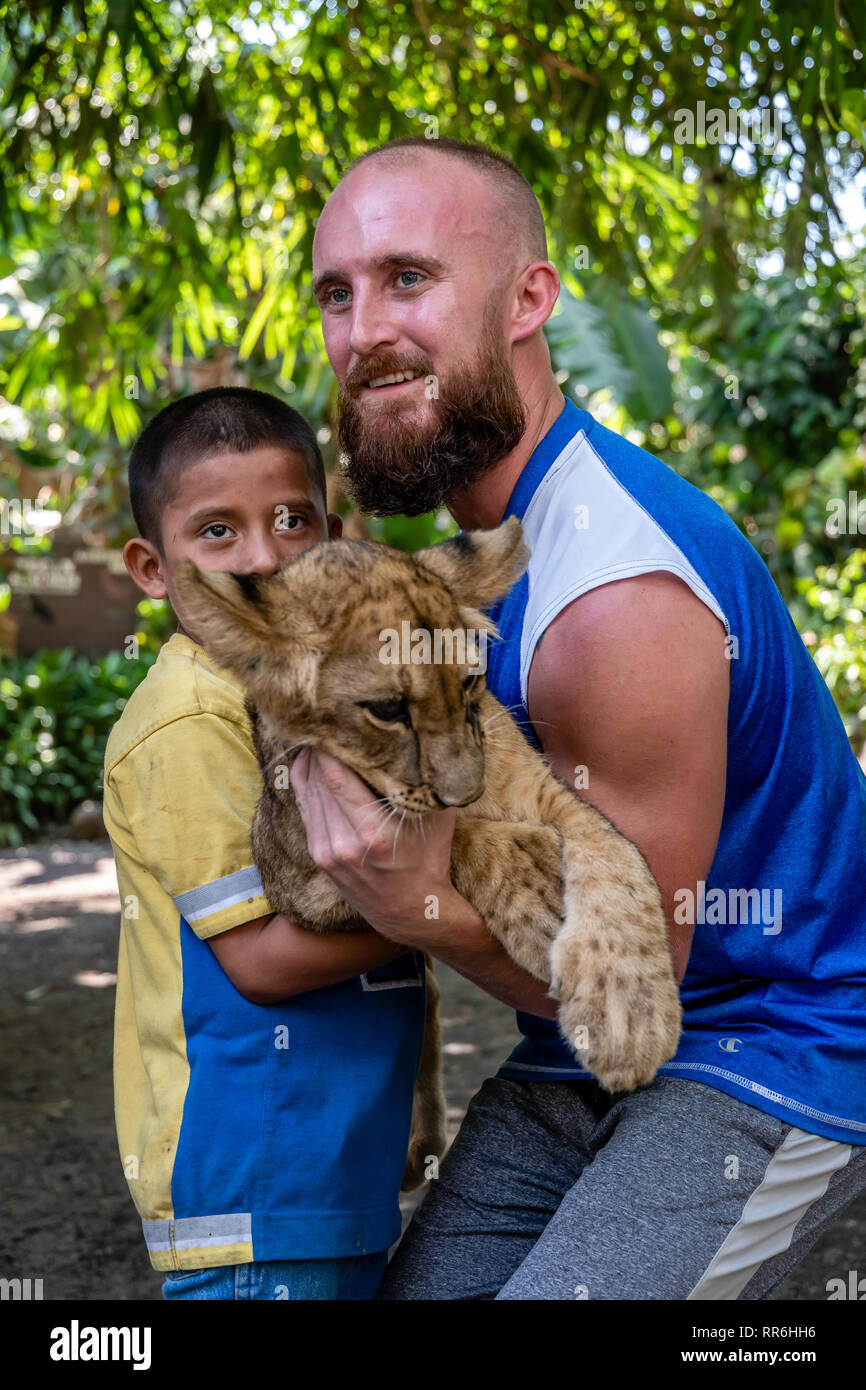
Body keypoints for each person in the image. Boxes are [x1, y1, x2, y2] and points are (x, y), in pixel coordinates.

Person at [282, 136, 866, 1300]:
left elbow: (634, 994)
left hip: (763, 1039)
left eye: (408, 278)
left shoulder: (608, 603)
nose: (362, 333)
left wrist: (425, 910)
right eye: (336, 295)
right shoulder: (479, 554)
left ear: (528, 300)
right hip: (570, 1047)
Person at [103, 385, 429, 1301]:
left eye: (290, 521)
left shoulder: (317, 700)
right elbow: (260, 962)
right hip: (253, 1188)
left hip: (327, 1175)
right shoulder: (186, 717)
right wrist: (450, 906)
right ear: (152, 567)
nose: (262, 558)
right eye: (216, 532)